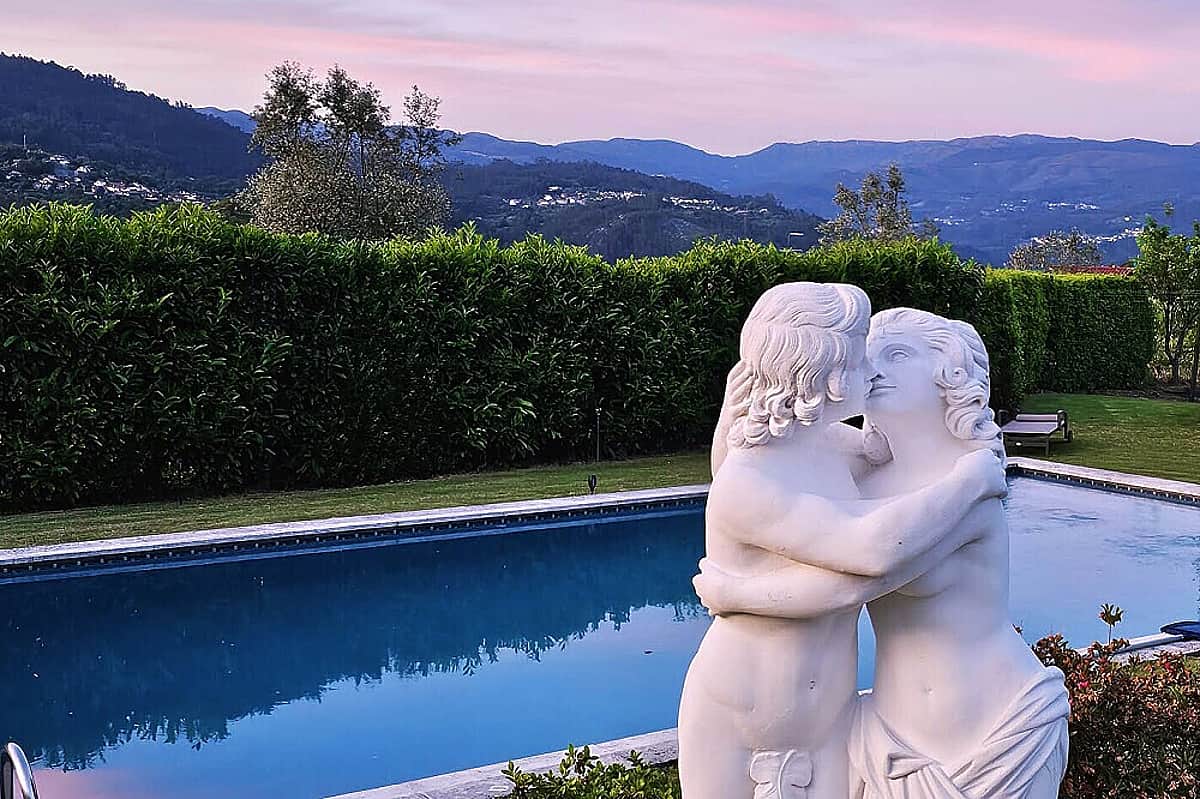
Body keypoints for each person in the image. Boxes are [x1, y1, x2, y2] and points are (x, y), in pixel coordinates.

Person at [695, 308, 1069, 799]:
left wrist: (738, 594)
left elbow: (869, 576)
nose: (872, 371)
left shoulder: (972, 484)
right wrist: (744, 392)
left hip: (998, 730)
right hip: (889, 740)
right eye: (868, 358)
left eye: (896, 355)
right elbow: (761, 465)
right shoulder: (864, 479)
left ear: (949, 375)